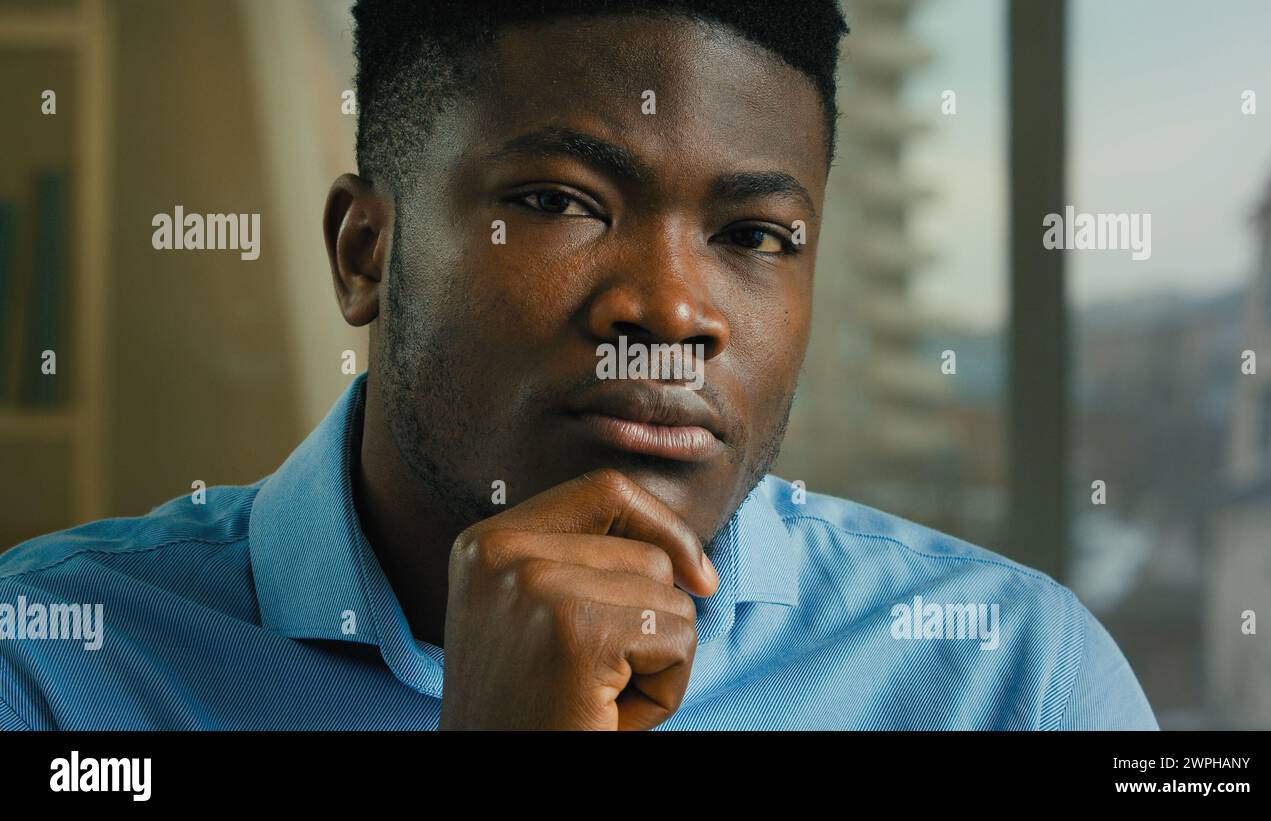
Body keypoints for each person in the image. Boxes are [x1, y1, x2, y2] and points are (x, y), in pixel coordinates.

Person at [0, 0, 1157, 730]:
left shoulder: (1010, 679)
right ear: (366, 253)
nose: (667, 309)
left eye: (753, 235)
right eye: (558, 202)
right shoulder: (51, 668)